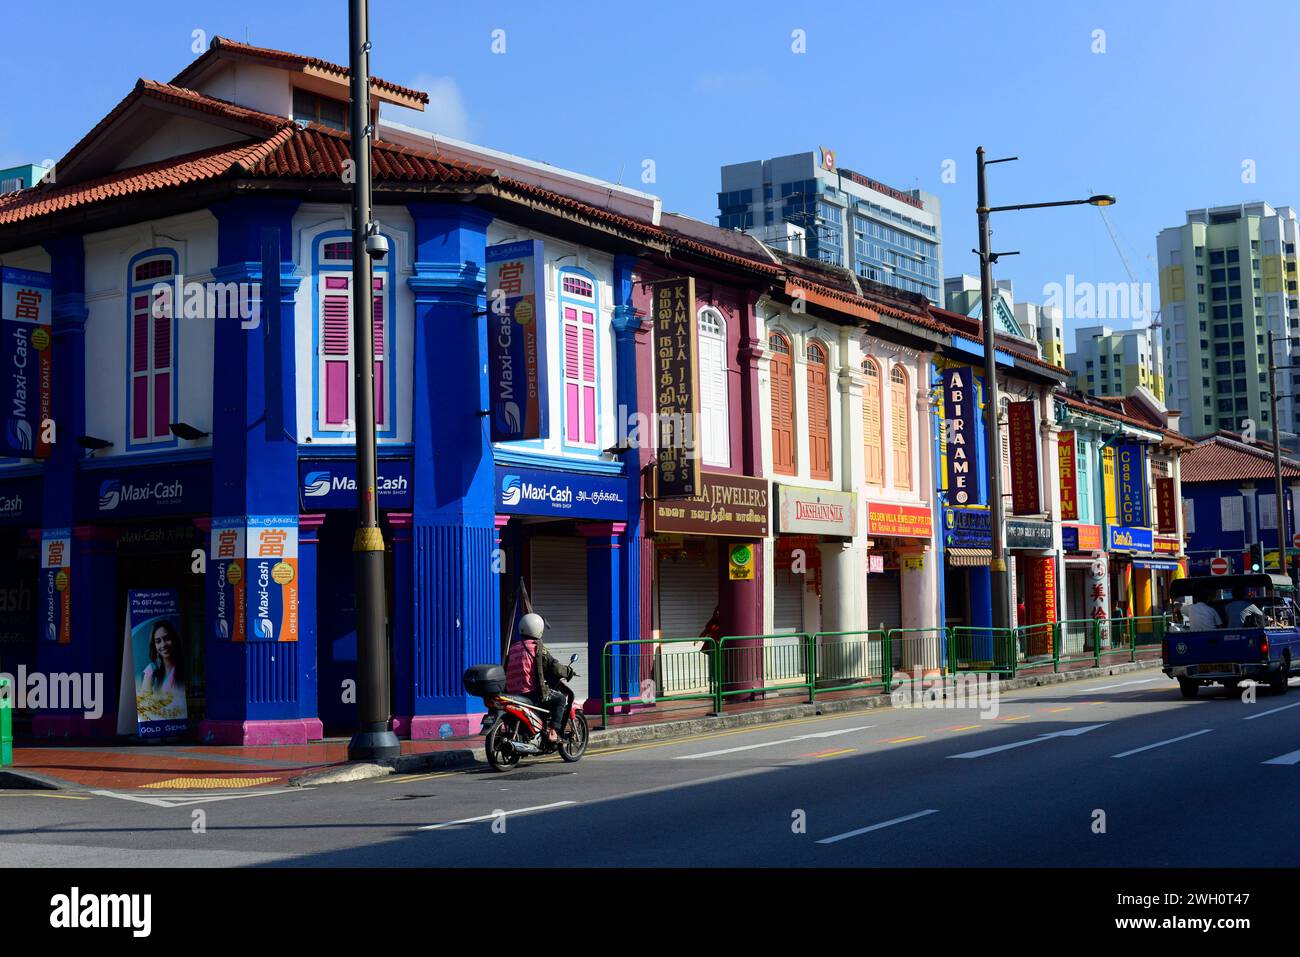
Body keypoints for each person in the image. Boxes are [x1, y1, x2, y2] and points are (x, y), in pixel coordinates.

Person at [505, 613, 571, 744]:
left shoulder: (513, 648)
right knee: (560, 699)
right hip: (531, 694)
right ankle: (553, 731)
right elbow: (555, 668)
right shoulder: (537, 648)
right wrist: (568, 671)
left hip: (512, 694)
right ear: (538, 630)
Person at [141, 620, 186, 694]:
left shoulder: (182, 667)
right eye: (158, 641)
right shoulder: (150, 669)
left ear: (174, 639)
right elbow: (145, 702)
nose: (163, 645)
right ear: (154, 645)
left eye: (167, 638)